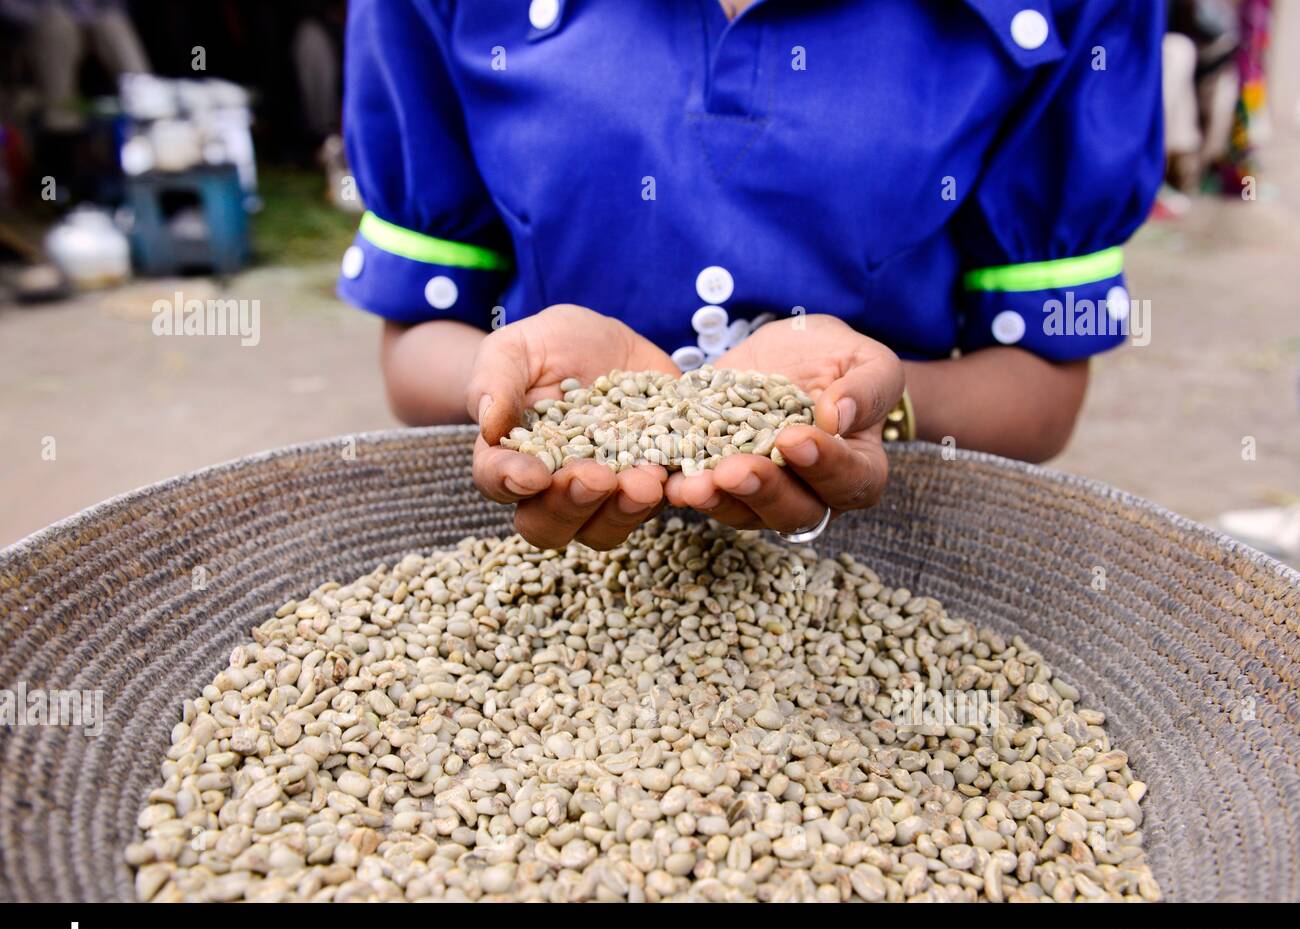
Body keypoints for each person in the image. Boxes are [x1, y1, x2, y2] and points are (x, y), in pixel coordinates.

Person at [336, 0, 1163, 551]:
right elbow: (416, 348)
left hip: (890, 568)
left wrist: (874, 404)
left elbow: (1044, 391)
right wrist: (522, 402)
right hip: (553, 564)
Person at [1, 0, 150, 131]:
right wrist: (42, 16)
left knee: (113, 22)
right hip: (40, 24)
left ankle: (151, 115)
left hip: (92, 17)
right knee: (57, 27)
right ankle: (62, 130)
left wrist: (87, 17)